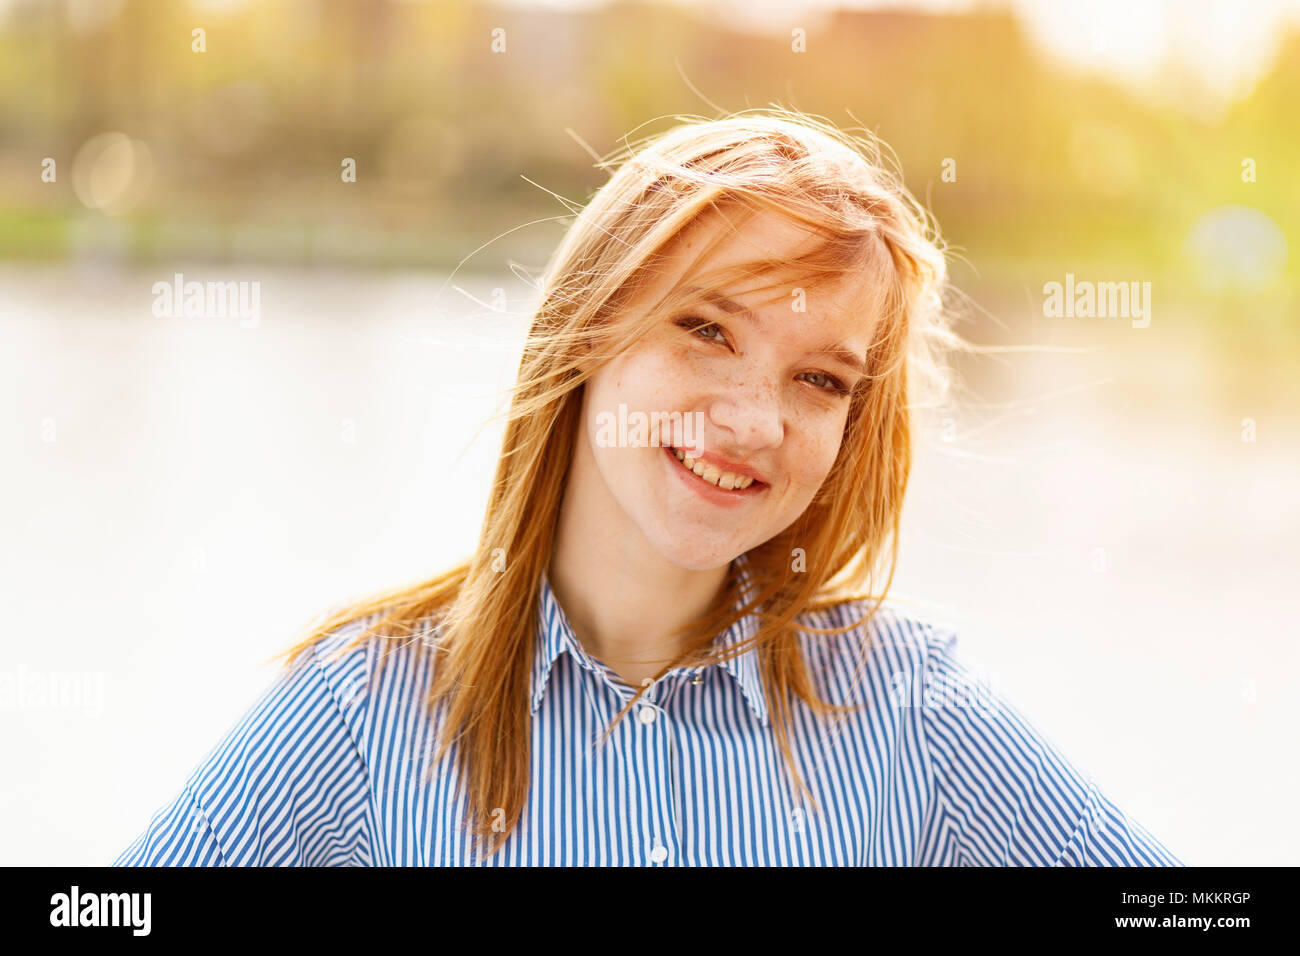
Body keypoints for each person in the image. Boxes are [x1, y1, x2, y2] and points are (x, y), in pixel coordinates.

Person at [114, 109, 1183, 866]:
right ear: (590, 325)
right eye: (706, 328)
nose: (755, 421)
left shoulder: (909, 704)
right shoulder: (361, 712)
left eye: (818, 378)